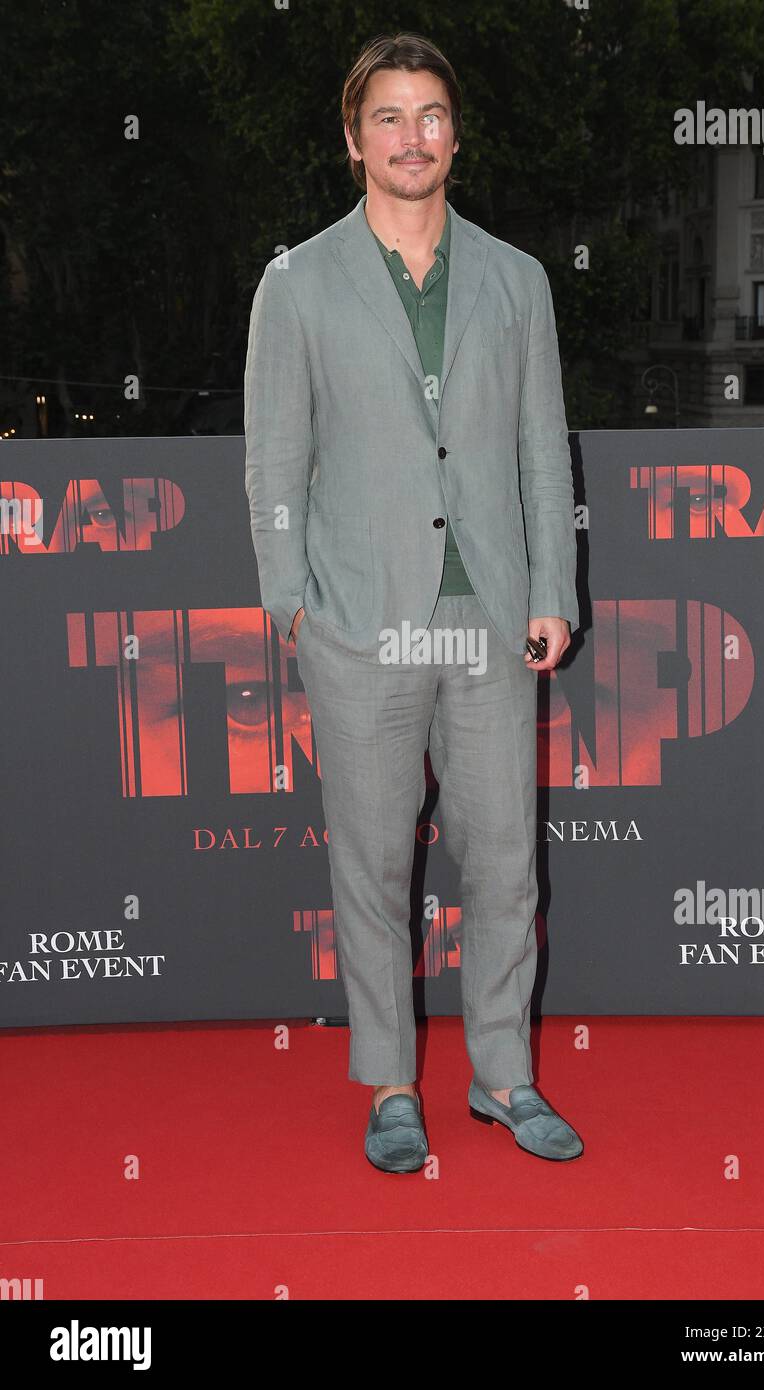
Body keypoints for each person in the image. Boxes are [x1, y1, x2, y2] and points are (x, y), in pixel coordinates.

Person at [244, 31, 584, 1171]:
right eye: (386, 117)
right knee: (373, 866)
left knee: (502, 861)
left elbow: (543, 448)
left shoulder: (518, 278)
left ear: (454, 134)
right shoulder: (295, 283)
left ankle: (503, 1077)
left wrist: (550, 588)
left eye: (428, 115)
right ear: (353, 140)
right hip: (358, 622)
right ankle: (391, 1084)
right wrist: (291, 599)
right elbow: (273, 462)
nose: (410, 136)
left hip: (486, 620)